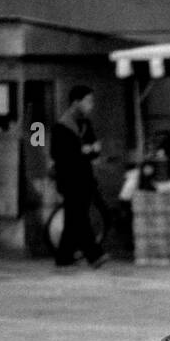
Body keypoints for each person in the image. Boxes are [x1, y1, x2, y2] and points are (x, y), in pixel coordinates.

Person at [50, 84, 107, 269]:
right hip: (70, 179)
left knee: (74, 218)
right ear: (76, 102)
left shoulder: (85, 123)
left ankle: (64, 256)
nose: (91, 105)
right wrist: (85, 151)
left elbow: (93, 148)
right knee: (80, 217)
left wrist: (88, 151)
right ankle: (94, 255)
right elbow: (59, 154)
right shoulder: (62, 126)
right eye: (88, 101)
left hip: (85, 177)